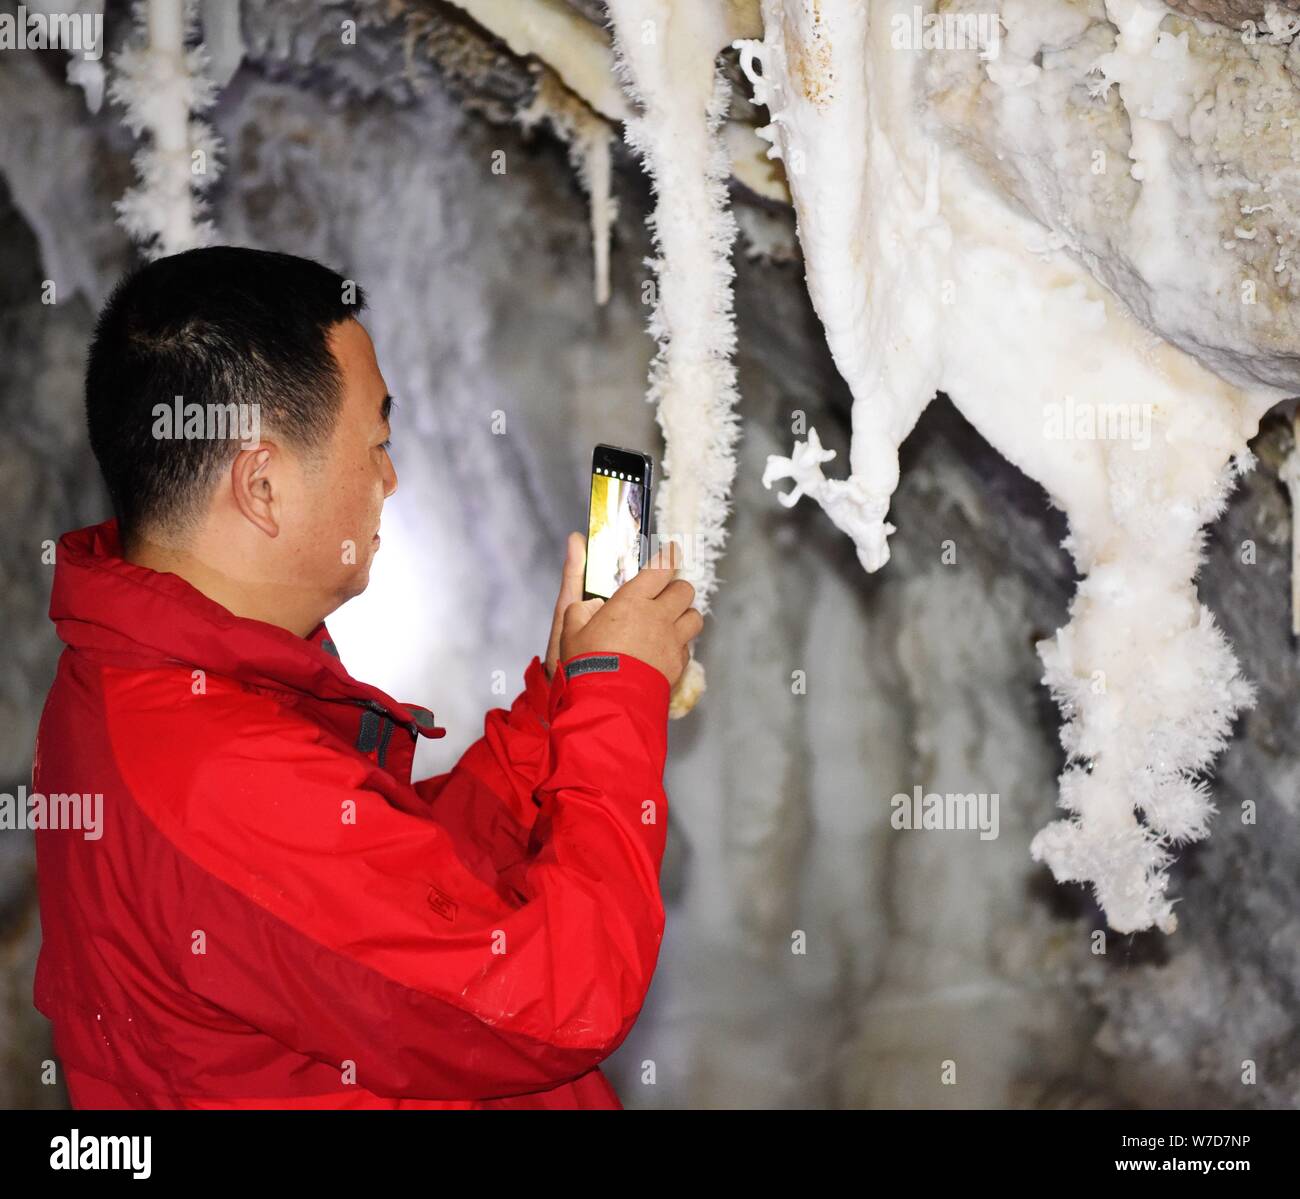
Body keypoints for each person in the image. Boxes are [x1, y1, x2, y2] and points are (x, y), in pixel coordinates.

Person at [31, 246, 702, 1109]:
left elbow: (392, 901)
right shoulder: (213, 771)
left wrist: (560, 704)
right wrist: (617, 695)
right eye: (377, 441)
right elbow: (552, 1005)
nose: (390, 477)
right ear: (263, 484)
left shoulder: (150, 683)